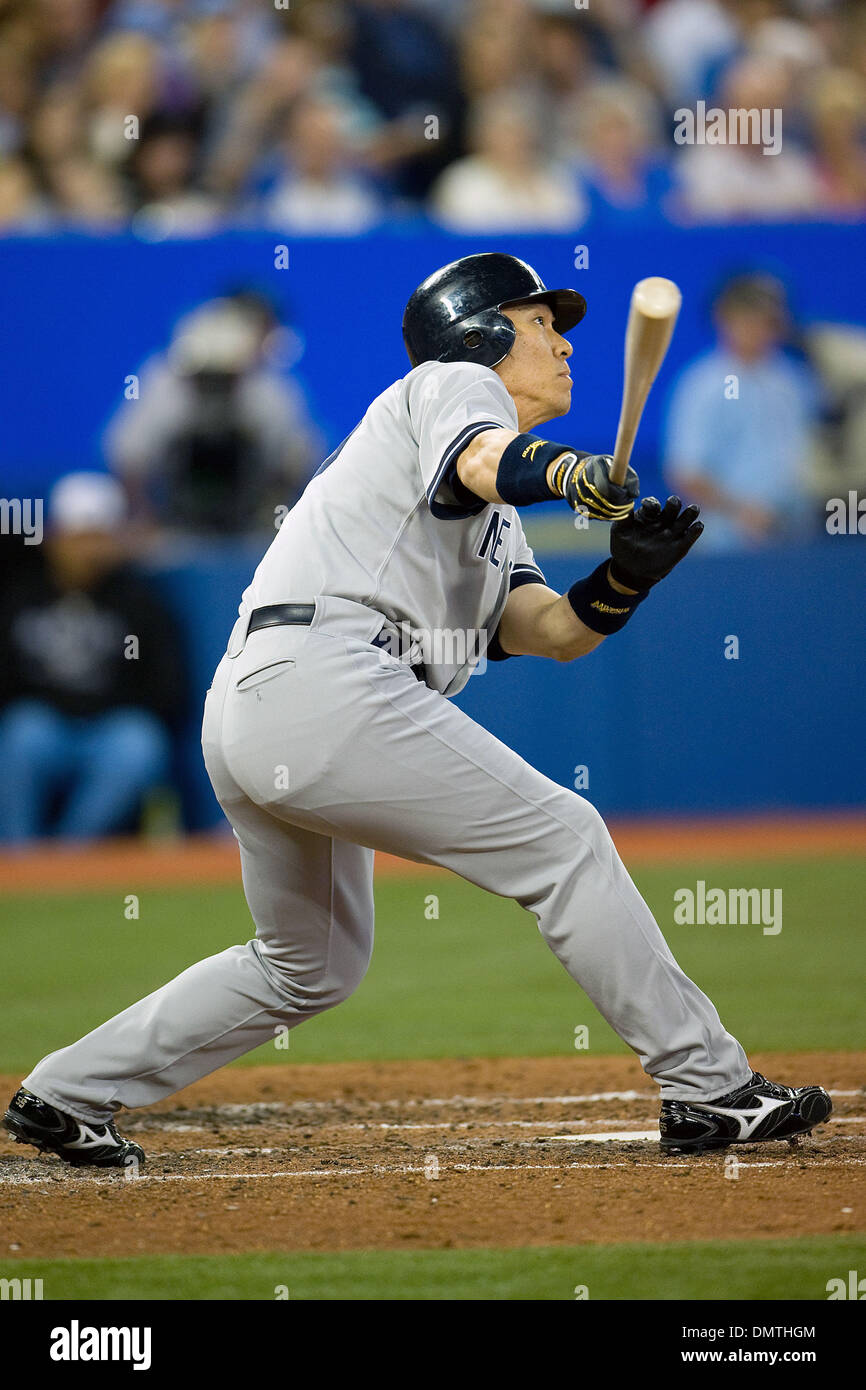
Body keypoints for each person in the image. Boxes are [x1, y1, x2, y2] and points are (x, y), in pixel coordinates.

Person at [4, 254, 830, 1168]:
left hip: (270, 701)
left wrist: (624, 577)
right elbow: (488, 461)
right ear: (478, 335)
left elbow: (546, 632)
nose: (561, 341)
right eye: (538, 321)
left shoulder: (489, 514)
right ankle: (708, 1088)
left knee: (309, 965)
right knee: (566, 838)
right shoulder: (449, 386)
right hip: (327, 680)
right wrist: (568, 473)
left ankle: (65, 1092)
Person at [0, 472, 185, 844]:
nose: (87, 550)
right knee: (22, 733)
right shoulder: (21, 593)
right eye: (78, 536)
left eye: (98, 537)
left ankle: (72, 857)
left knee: (139, 743)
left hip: (110, 728)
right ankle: (18, 858)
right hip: (43, 725)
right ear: (53, 537)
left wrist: (95, 707)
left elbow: (167, 690)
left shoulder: (140, 600)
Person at [664, 273, 819, 550]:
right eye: (748, 316)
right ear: (723, 318)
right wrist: (742, 513)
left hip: (797, 538)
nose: (759, 326)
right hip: (726, 545)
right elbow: (685, 473)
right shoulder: (702, 385)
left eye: (768, 316)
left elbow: (814, 452)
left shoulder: (794, 381)